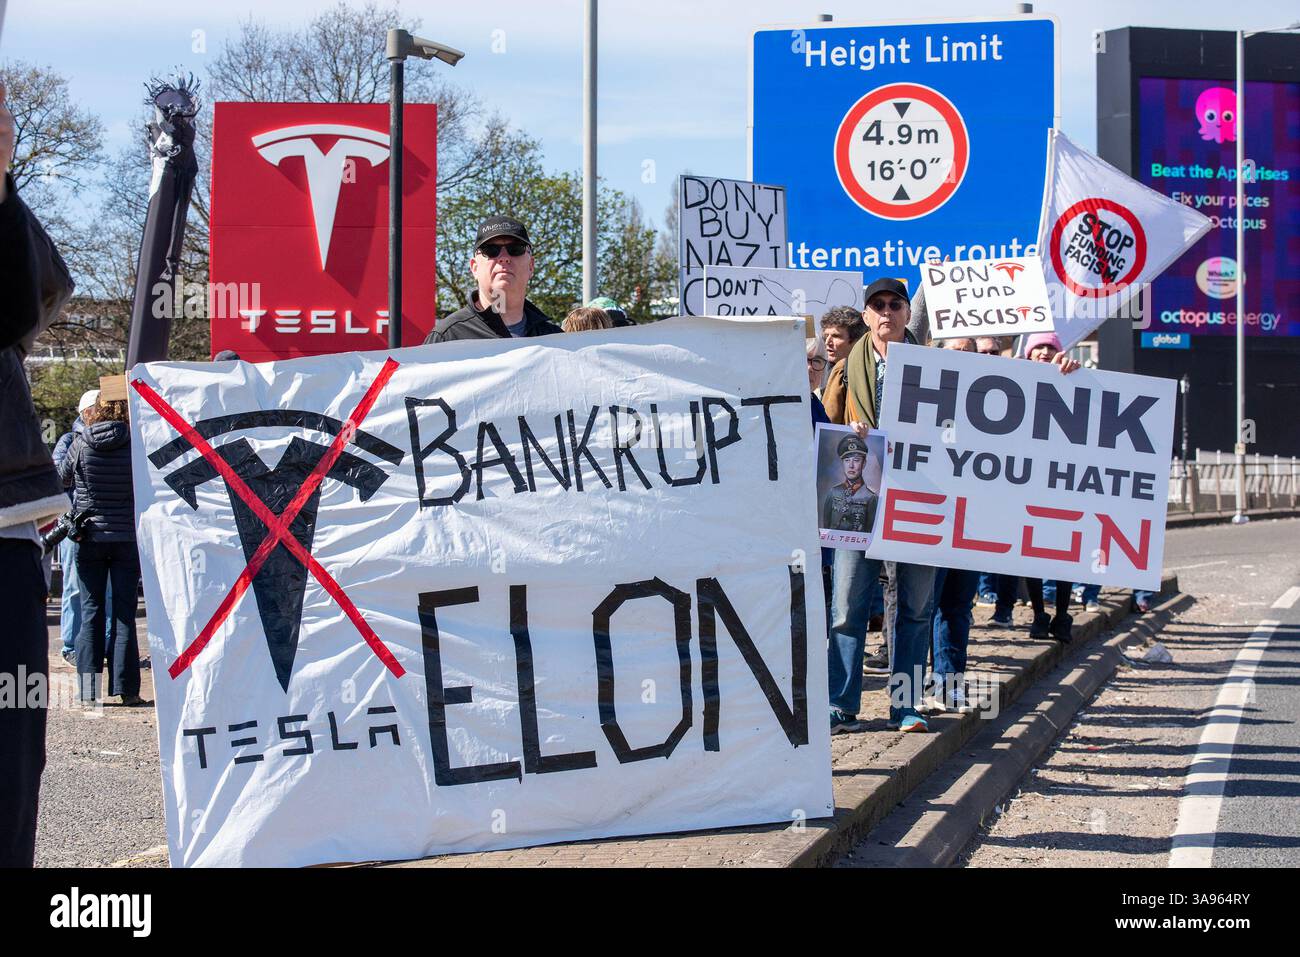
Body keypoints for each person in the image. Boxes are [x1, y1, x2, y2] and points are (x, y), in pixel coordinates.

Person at [0, 78, 77, 867]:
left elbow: (37, 297)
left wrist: (1, 186)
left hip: (4, 527)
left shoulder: (9, 221)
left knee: (12, 766)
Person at [829, 278, 936, 734]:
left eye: (895, 304)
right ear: (867, 316)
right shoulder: (844, 371)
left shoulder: (937, 369)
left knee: (914, 606)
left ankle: (904, 705)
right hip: (860, 499)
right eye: (878, 305)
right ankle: (842, 704)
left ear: (908, 314)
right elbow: (823, 430)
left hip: (919, 498)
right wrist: (844, 437)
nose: (887, 312)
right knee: (848, 605)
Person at [990, 332, 1081, 641]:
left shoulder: (1073, 377)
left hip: (1061, 480)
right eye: (1038, 347)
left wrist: (1073, 373)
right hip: (1027, 480)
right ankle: (1040, 614)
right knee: (1029, 550)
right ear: (1028, 354)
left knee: (1063, 552)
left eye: (1050, 347)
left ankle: (1063, 615)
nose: (1043, 352)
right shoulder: (1017, 378)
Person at [58, 397, 145, 706]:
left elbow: (63, 480)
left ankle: (89, 690)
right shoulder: (136, 448)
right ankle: (128, 689)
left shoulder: (80, 445)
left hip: (89, 537)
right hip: (126, 538)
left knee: (91, 610)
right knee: (124, 613)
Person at [425, 216, 562, 343]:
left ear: (531, 266)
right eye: (490, 250)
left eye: (515, 249)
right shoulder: (446, 338)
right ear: (474, 268)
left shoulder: (556, 341)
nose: (503, 257)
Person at [52, 389, 100, 662]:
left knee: (100, 589)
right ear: (87, 412)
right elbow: (58, 477)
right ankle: (71, 645)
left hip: (97, 522)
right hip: (74, 524)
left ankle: (99, 644)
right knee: (72, 586)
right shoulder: (70, 440)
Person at [819, 305, 867, 424]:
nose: (828, 342)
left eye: (836, 336)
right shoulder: (817, 370)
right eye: (826, 336)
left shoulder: (867, 373)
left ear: (856, 340)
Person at [822, 434, 878, 533]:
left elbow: (871, 532)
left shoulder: (871, 498)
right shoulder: (833, 492)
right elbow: (826, 525)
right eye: (847, 460)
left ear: (864, 463)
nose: (851, 465)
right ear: (842, 463)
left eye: (856, 460)